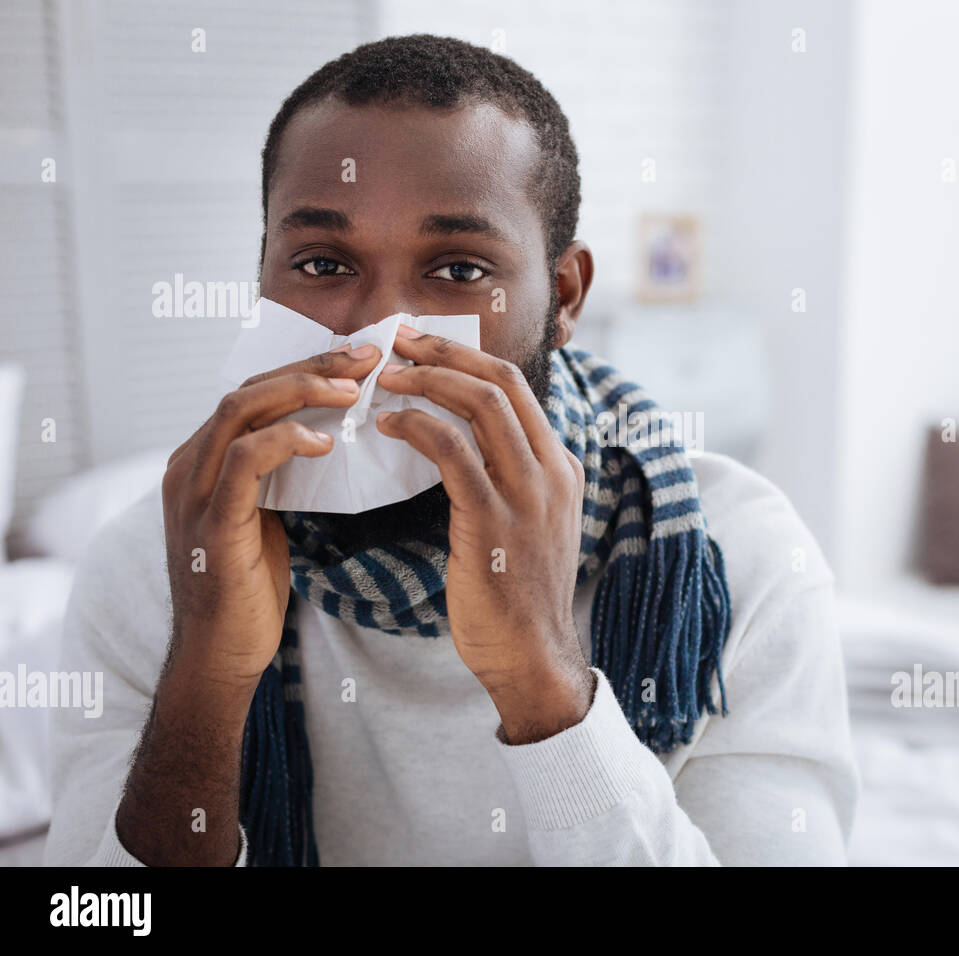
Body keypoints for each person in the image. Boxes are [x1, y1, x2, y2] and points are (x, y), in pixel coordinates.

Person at [43, 34, 858, 866]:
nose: (381, 331)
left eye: (461, 270)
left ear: (564, 297)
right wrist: (207, 676)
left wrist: (541, 676)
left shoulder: (737, 556)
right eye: (322, 262)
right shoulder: (159, 564)